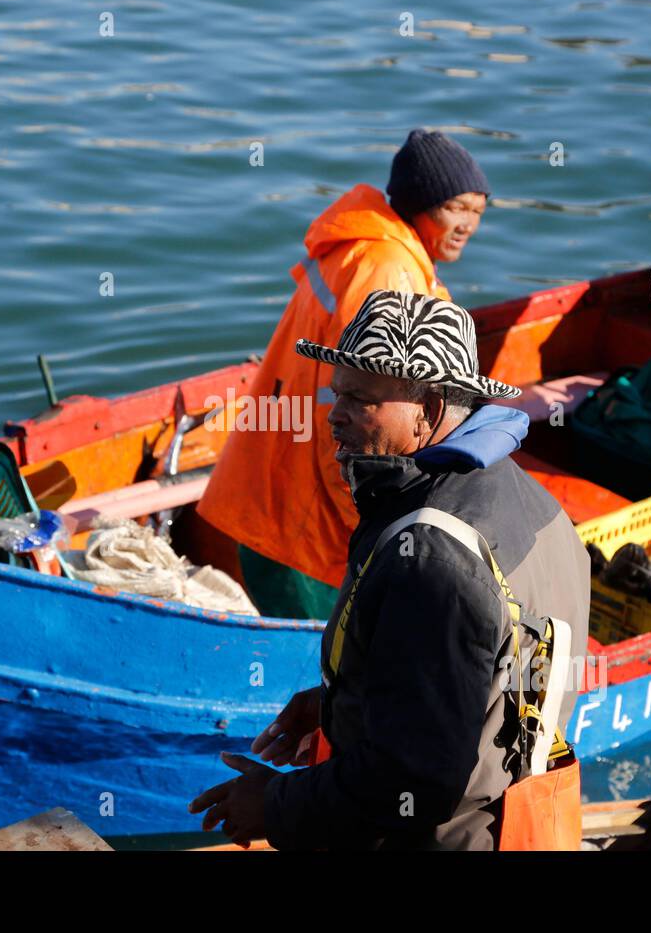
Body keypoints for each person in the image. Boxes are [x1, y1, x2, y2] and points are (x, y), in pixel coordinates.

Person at [188, 291, 591, 850]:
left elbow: (415, 780)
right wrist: (342, 701)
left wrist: (274, 804)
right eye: (337, 394)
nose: (335, 417)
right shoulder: (529, 498)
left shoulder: (431, 555)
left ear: (426, 409)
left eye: (359, 398)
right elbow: (475, 680)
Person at [196, 130, 491, 618]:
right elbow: (363, 406)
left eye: (478, 212)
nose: (468, 225)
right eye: (456, 208)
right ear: (421, 203)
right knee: (328, 668)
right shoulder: (387, 271)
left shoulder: (362, 248)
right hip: (306, 517)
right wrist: (376, 519)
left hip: (276, 485)